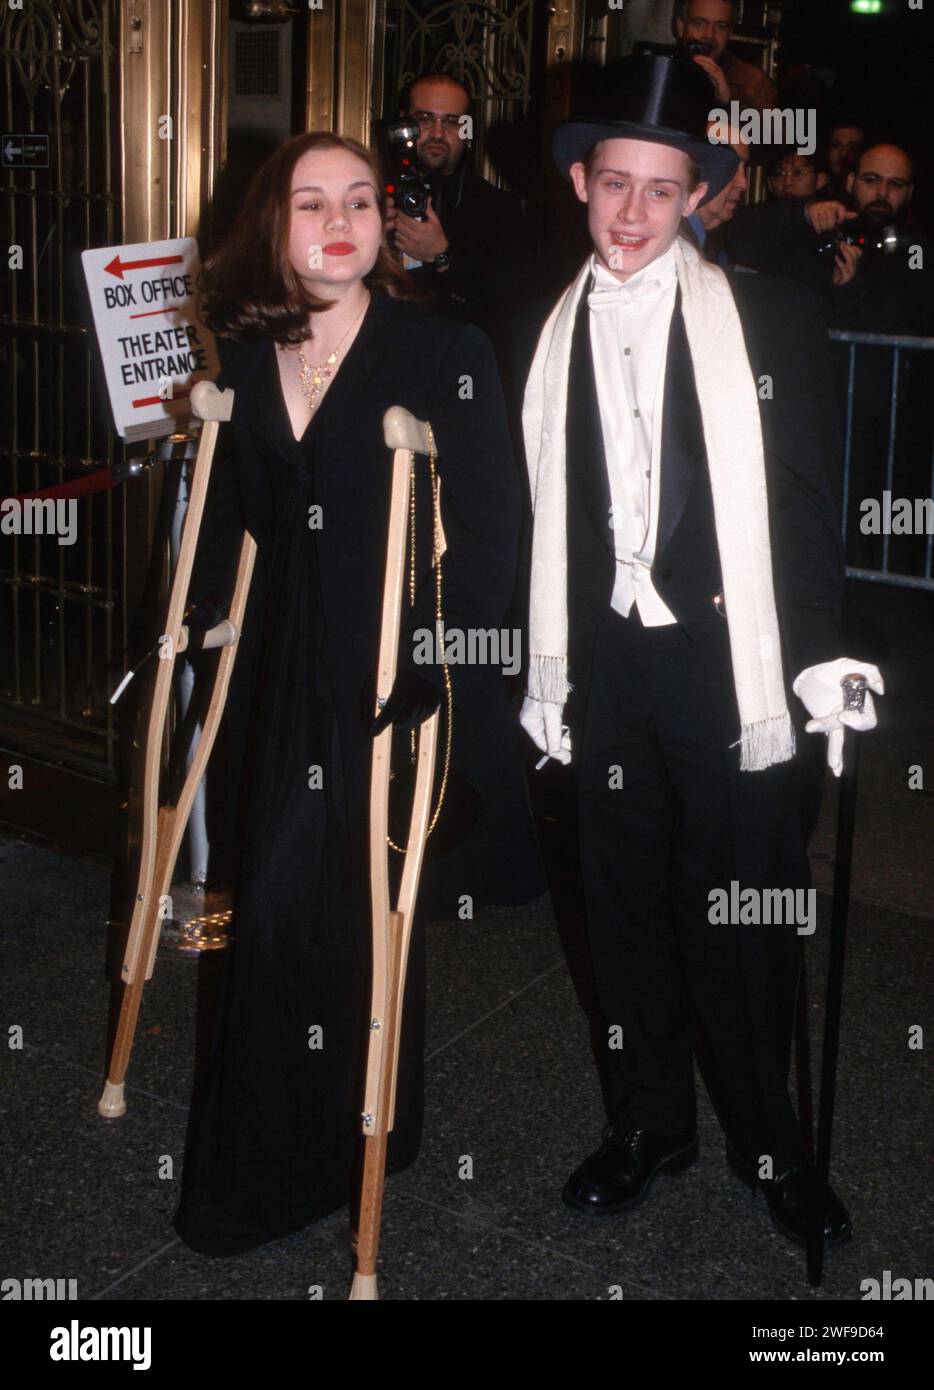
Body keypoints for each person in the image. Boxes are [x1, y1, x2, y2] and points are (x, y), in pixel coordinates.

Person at [518, 48, 883, 1250]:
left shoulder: (772, 319)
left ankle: (772, 1144)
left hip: (730, 664)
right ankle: (648, 1125)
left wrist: (821, 653)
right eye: (613, 183)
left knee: (741, 908)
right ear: (581, 181)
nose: (631, 213)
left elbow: (806, 512)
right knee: (618, 906)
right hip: (606, 668)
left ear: (695, 198)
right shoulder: (539, 326)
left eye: (659, 190)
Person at [172, 131, 542, 1256]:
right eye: (309, 204)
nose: (340, 223)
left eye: (361, 201)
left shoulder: (443, 350)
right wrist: (199, 628)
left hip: (389, 673)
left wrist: (449, 674)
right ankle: (327, 1134)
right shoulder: (245, 355)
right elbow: (241, 521)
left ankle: (282, 1165)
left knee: (337, 908)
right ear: (269, 228)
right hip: (278, 674)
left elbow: (494, 533)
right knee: (283, 900)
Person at [386, 72, 527, 344]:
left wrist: (444, 257)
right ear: (404, 123)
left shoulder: (501, 210)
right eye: (425, 119)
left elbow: (509, 316)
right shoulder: (367, 195)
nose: (437, 133)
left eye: (452, 122)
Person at [674, 0, 776, 114]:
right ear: (680, 26)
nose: (709, 35)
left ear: (730, 33)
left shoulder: (752, 81)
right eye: (699, 23)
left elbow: (770, 131)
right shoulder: (661, 68)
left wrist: (728, 102)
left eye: (720, 26)